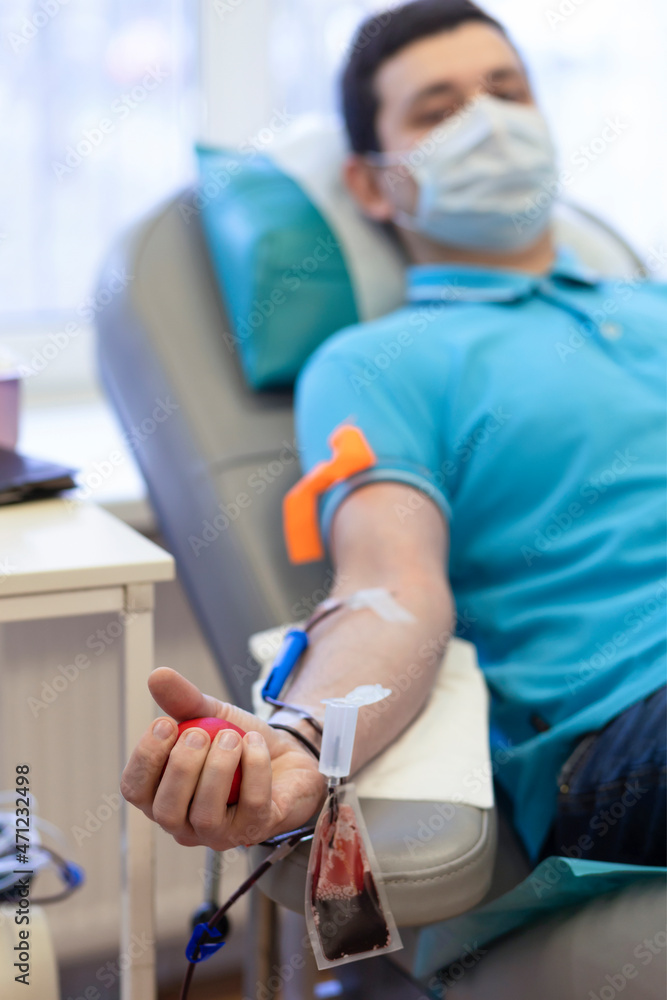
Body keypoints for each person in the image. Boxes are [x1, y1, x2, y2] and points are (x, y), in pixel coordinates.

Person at [121, 0, 666, 869]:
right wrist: (305, 740)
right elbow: (389, 585)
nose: (488, 124)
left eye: (506, 91)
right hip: (621, 735)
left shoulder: (651, 305)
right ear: (373, 183)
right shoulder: (377, 362)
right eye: (438, 111)